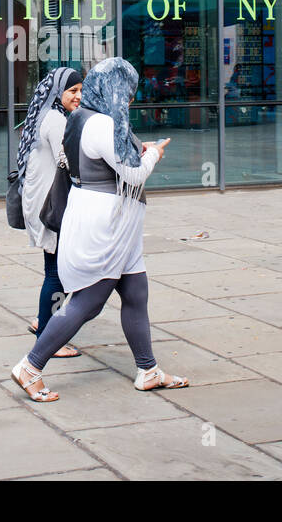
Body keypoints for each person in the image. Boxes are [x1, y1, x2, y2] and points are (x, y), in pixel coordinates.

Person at [11, 57, 187, 402]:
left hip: (112, 222)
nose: (131, 99)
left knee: (136, 293)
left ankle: (148, 370)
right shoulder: (102, 125)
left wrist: (142, 151)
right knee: (87, 302)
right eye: (128, 92)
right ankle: (29, 367)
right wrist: (152, 155)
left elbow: (114, 159)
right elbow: (133, 173)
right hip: (105, 224)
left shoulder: (81, 118)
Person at [17, 67, 84, 359]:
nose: (78, 96)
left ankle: (43, 321)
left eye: (81, 90)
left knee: (54, 269)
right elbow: (68, 160)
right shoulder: (56, 120)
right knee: (58, 274)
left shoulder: (45, 114)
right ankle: (47, 335)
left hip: (40, 203)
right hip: (52, 206)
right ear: (58, 92)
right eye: (72, 91)